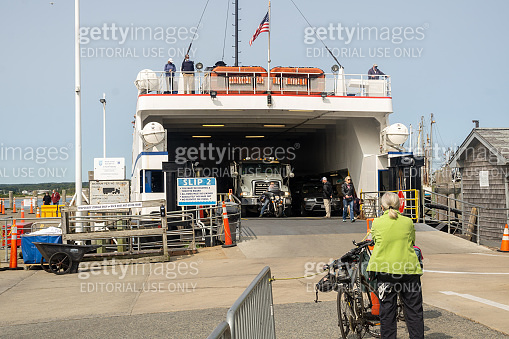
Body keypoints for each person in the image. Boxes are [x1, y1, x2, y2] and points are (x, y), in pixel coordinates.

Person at [366, 192, 424, 339]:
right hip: (409, 270)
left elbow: (374, 240)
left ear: (381, 207)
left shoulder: (377, 223)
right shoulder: (408, 222)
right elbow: (412, 242)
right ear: (399, 206)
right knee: (414, 311)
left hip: (386, 271)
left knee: (387, 312)